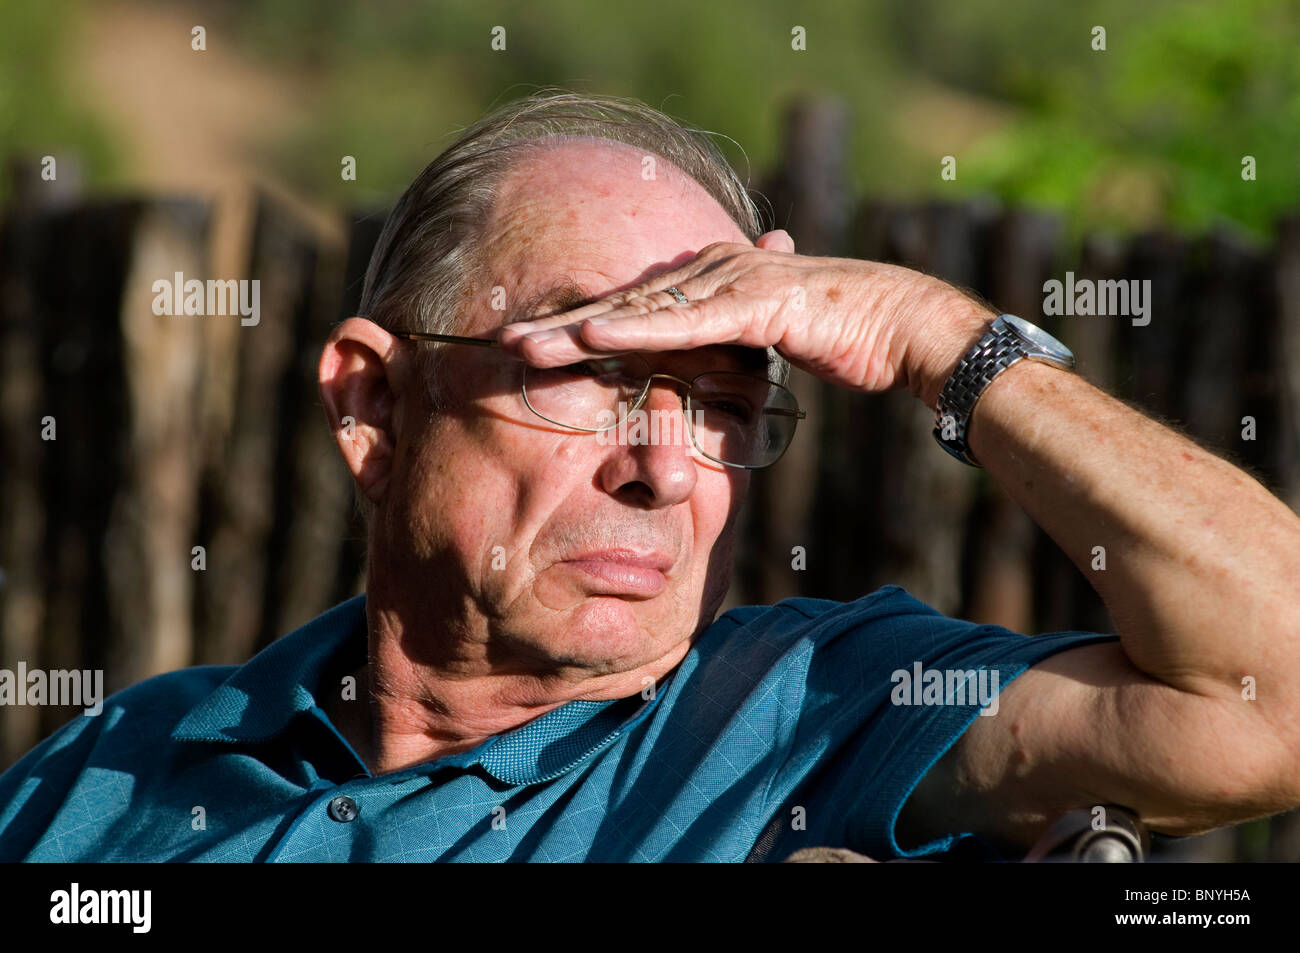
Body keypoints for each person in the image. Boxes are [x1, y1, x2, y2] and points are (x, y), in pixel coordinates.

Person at [3, 91, 1298, 862]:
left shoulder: (803, 718)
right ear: (374, 402)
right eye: (597, 375)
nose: (668, 469)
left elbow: (1270, 700)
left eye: (727, 403)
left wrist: (938, 339)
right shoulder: (108, 773)